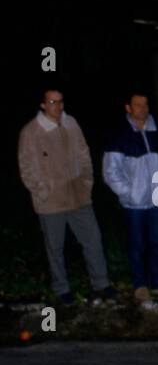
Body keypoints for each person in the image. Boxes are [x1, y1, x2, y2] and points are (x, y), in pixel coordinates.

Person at [17, 87, 115, 303]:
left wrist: (86, 181)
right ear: (43, 104)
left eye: (60, 101)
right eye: (52, 102)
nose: (57, 106)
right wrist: (44, 190)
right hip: (51, 202)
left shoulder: (71, 123)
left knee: (93, 240)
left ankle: (102, 284)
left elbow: (84, 153)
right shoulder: (31, 131)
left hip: (78, 196)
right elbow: (26, 168)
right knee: (55, 247)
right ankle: (62, 289)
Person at [102, 91, 158, 302]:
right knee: (137, 244)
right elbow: (110, 171)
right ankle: (140, 285)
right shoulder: (119, 136)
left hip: (157, 200)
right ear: (128, 108)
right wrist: (129, 193)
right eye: (137, 105)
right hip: (134, 204)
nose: (142, 109)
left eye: (145, 105)